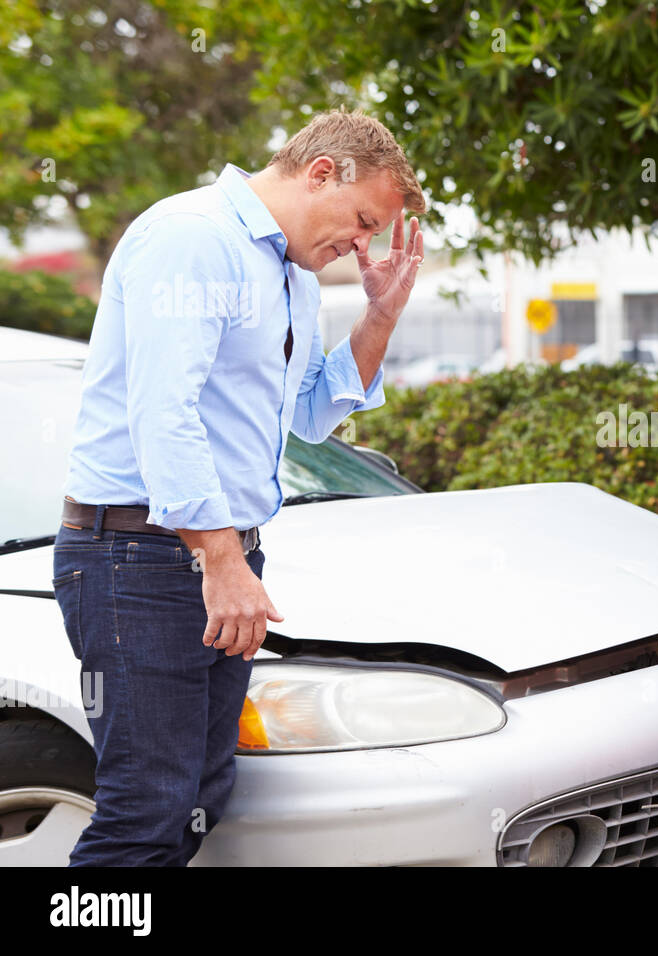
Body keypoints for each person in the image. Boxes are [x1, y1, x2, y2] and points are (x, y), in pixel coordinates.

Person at [51, 108, 426, 865]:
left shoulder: (292, 272)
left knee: (198, 794)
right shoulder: (194, 238)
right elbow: (165, 411)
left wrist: (380, 315)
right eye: (361, 221)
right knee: (146, 808)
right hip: (138, 557)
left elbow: (313, 417)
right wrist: (221, 564)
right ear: (322, 172)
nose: (361, 245)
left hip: (215, 555)